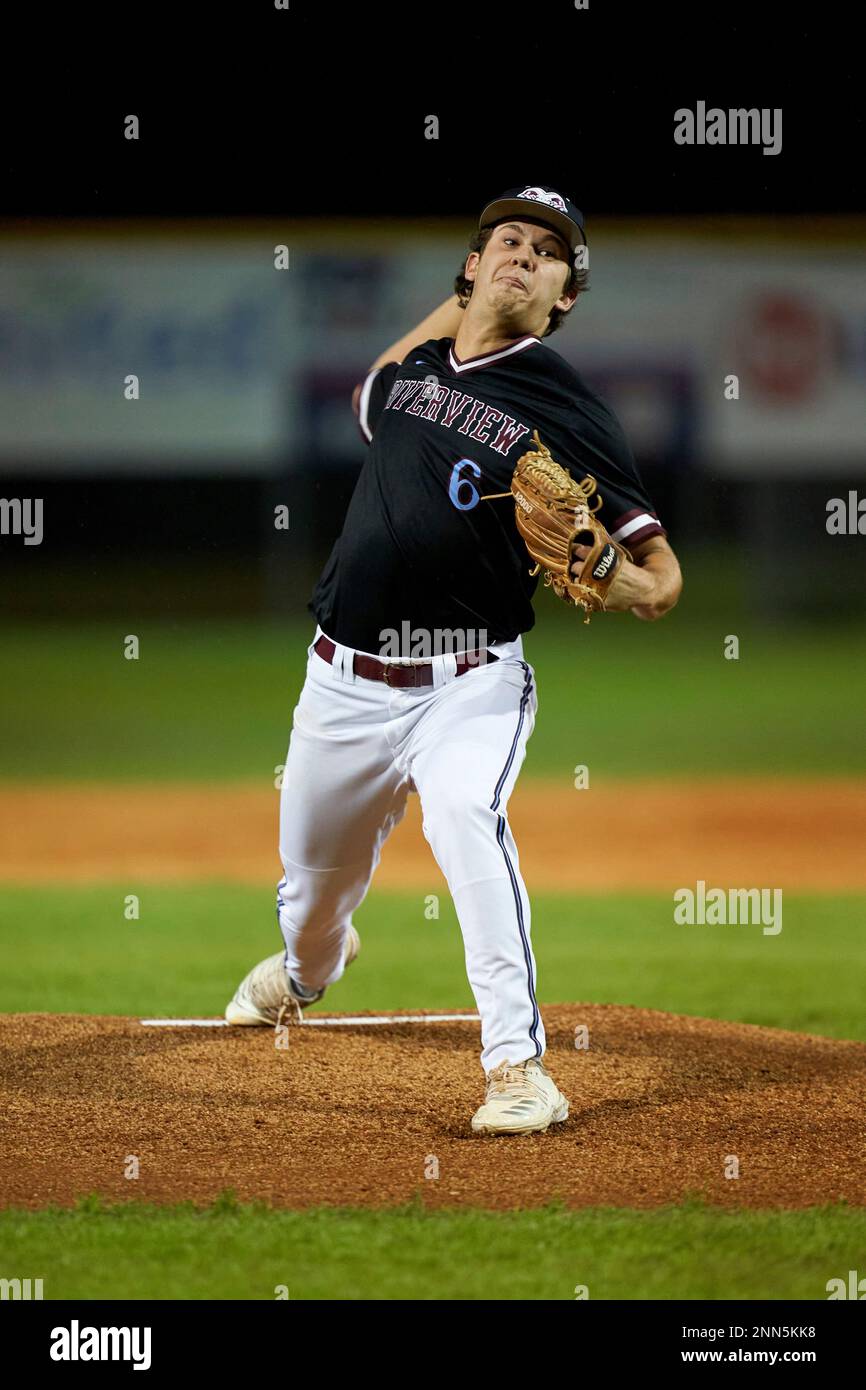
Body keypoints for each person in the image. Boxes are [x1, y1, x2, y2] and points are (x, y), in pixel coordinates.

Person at [226, 185, 683, 1136]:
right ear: (471, 267)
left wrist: (607, 568)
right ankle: (315, 968)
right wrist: (464, 296)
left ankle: (518, 1071)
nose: (523, 253)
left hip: (469, 682)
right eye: (505, 240)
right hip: (341, 684)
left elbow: (662, 581)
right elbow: (375, 388)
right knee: (308, 908)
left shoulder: (565, 401)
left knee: (467, 820)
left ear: (566, 296)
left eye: (548, 252)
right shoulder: (412, 376)